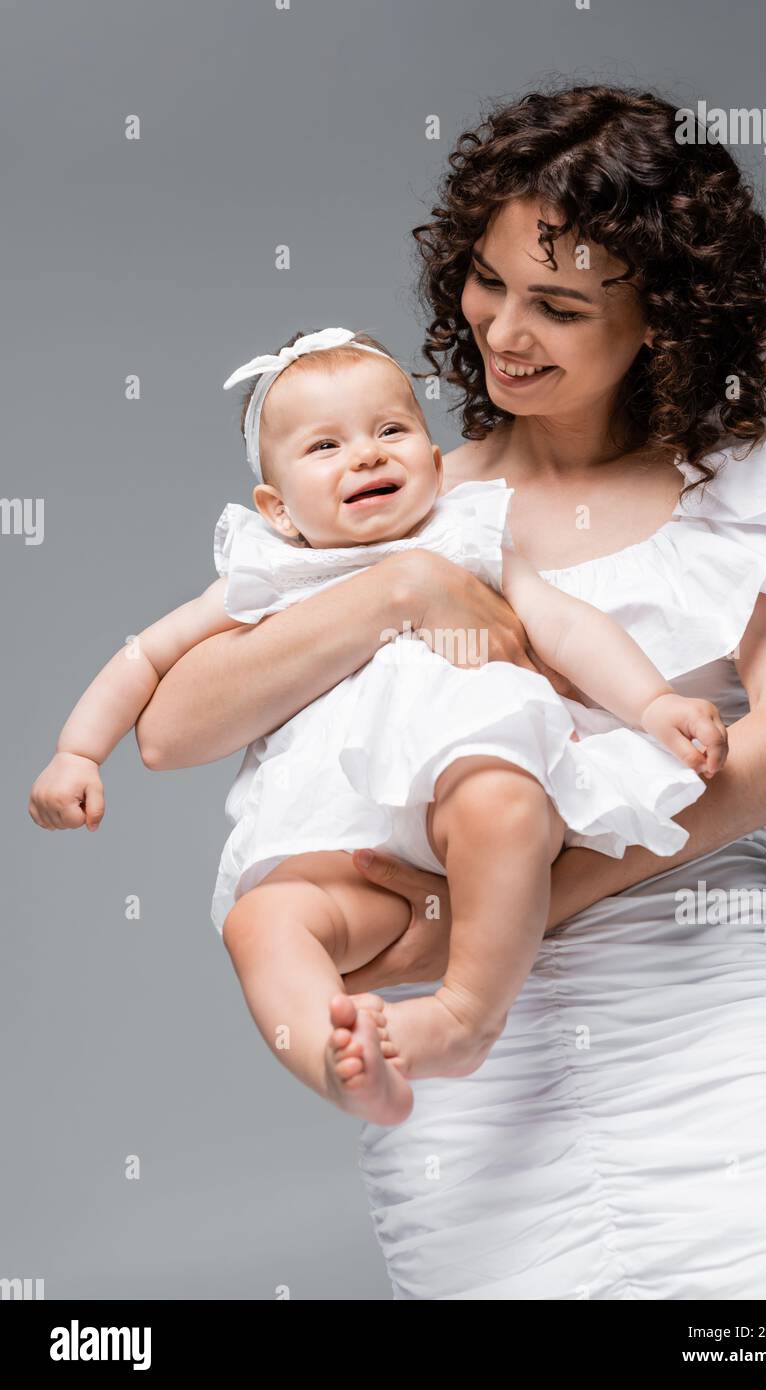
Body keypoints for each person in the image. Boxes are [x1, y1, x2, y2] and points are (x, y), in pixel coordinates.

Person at [135, 85, 766, 1299]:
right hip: (463, 1058)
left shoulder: (737, 466)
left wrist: (483, 922)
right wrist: (396, 590)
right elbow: (171, 727)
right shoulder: (404, 497)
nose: (504, 331)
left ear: (663, 323)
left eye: (561, 304)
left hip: (692, 981)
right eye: (488, 281)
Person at [28, 325, 727, 1127]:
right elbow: (145, 658)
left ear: (435, 463)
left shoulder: (466, 537)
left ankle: (464, 1015)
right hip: (347, 846)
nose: (364, 456)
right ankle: (336, 1060)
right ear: (277, 509)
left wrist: (652, 705)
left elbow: (564, 627)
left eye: (390, 430)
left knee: (500, 797)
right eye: (324, 446)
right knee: (264, 920)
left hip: (462, 793)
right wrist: (77, 752)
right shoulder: (271, 572)